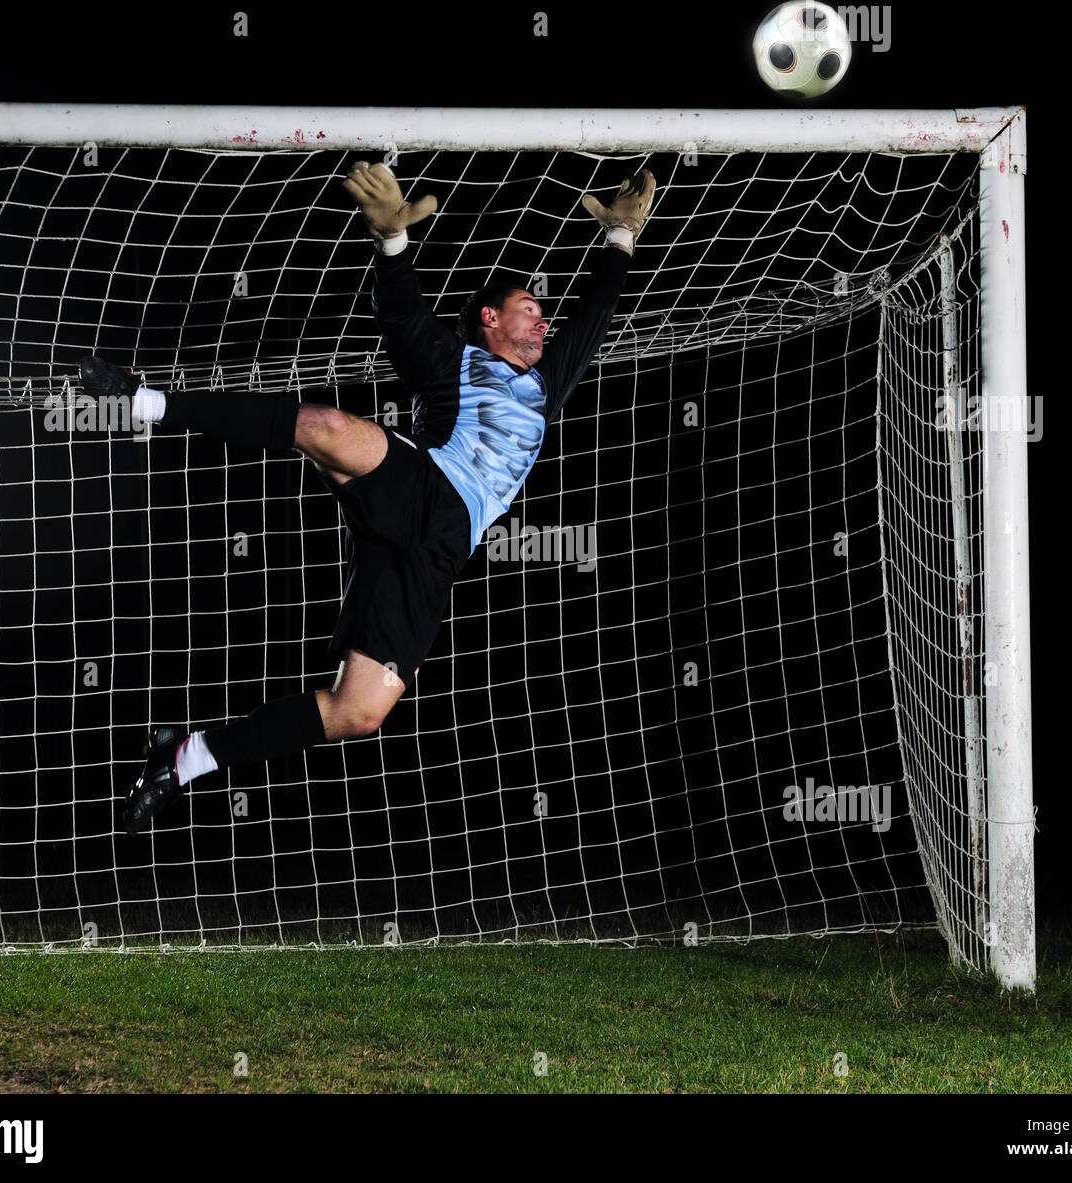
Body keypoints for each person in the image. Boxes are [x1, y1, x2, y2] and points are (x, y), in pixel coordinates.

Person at [82, 161, 654, 833]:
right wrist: (391, 243)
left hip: (439, 549)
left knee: (359, 712)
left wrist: (619, 238)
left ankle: (186, 758)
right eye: (529, 310)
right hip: (423, 483)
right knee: (324, 427)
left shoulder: (545, 385)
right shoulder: (450, 361)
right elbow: (402, 311)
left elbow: (593, 319)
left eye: (542, 314)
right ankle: (143, 400)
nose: (543, 322)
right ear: (489, 317)